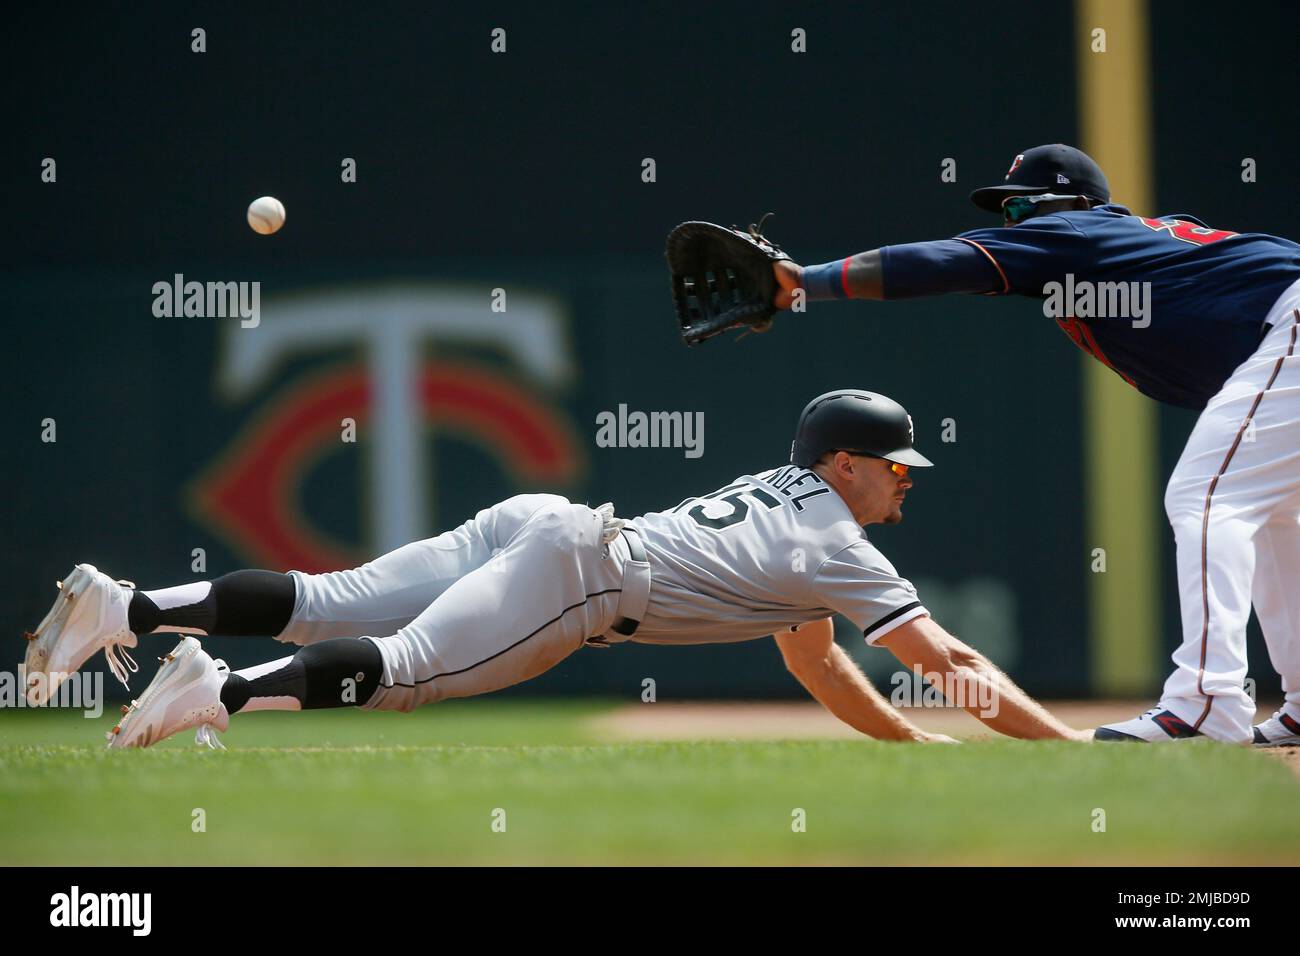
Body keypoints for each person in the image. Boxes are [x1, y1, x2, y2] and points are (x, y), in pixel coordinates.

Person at [22, 389, 1088, 749]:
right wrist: (1066, 747)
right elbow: (941, 654)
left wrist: (907, 745)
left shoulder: (787, 507)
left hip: (547, 527)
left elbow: (816, 665)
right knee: (399, 669)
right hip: (579, 570)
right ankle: (223, 688)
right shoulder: (830, 540)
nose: (908, 483)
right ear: (844, 463)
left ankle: (129, 603)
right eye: (896, 467)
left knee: (322, 601)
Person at [770, 144, 1300, 745]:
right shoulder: (1122, 253)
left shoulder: (1077, 231)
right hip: (1281, 330)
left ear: (1074, 202)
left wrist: (804, 284)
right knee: (1273, 511)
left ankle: (1206, 703)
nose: (1013, 219)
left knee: (1205, 498)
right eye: (1006, 209)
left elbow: (939, 262)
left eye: (1023, 204)